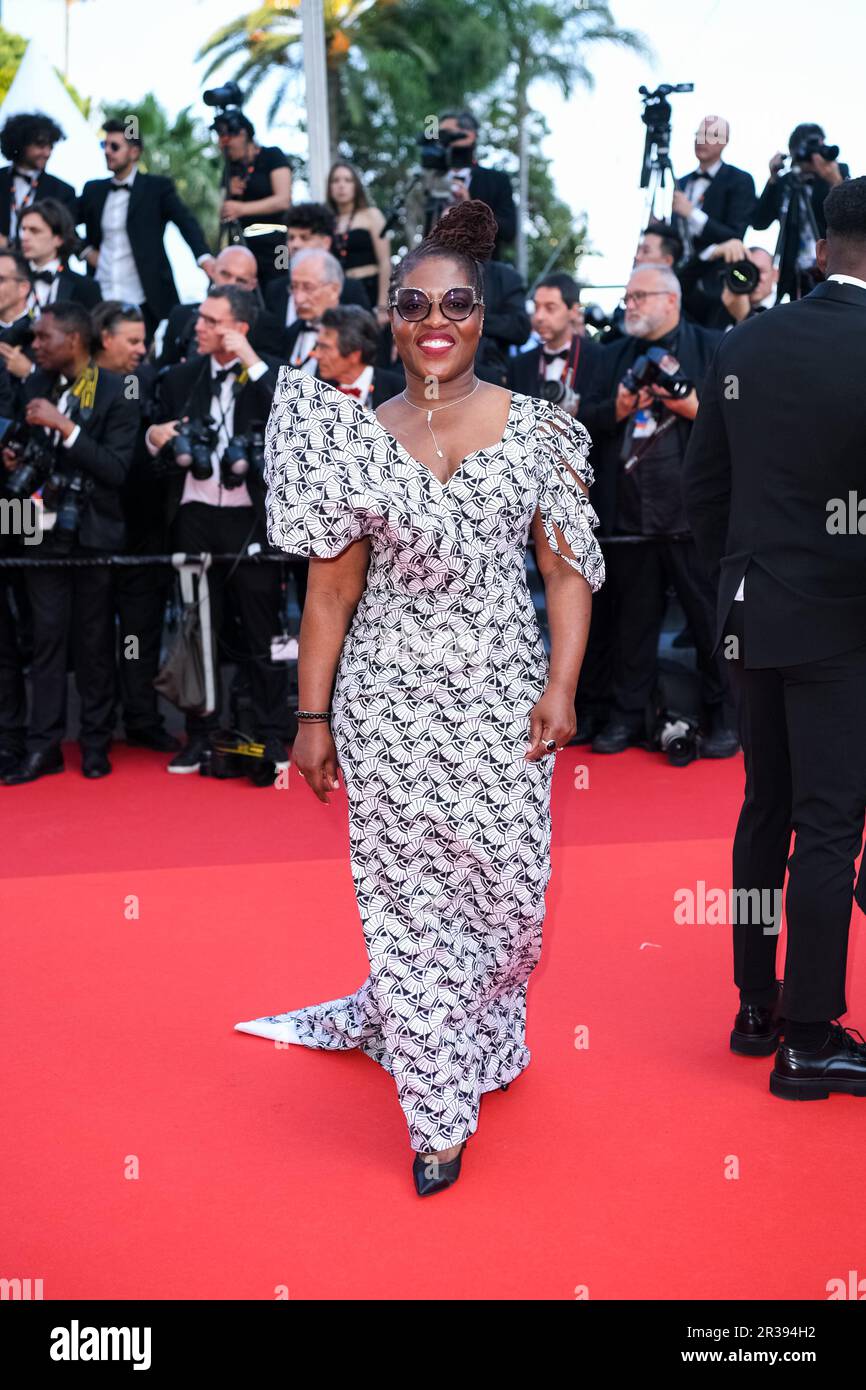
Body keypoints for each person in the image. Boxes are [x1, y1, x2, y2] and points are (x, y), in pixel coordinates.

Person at [234, 200, 605, 1196]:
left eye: (455, 302)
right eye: (411, 303)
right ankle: (435, 1111)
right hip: (384, 698)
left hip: (502, 691)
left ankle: (469, 1026)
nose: (433, 318)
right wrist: (309, 719)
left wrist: (562, 683)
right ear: (388, 317)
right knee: (406, 904)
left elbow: (564, 568)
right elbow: (331, 588)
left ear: (484, 315)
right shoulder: (348, 437)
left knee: (511, 902)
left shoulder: (537, 430)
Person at [682, 176, 866, 1096]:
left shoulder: (744, 344)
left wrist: (734, 595)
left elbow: (702, 492)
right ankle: (809, 1034)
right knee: (829, 827)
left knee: (764, 812)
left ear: (823, 247)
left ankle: (756, 1002)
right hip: (843, 627)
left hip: (753, 615)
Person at [577, 262, 737, 758]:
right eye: (628, 297)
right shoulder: (608, 354)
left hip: (694, 516)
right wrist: (619, 408)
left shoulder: (713, 346)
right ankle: (625, 719)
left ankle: (726, 718)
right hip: (628, 516)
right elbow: (583, 422)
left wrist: (691, 406)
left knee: (712, 624)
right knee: (632, 626)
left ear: (671, 300)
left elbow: (740, 419)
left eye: (640, 296)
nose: (631, 305)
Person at [145, 285, 287, 773]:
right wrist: (154, 437)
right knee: (194, 628)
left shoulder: (266, 375)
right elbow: (154, 438)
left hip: (251, 519)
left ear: (239, 328)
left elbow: (294, 418)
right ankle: (200, 733)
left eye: (210, 320)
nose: (197, 326)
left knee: (262, 627)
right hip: (194, 518)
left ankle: (268, 735)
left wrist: (250, 358)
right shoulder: (180, 377)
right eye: (199, 318)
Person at [1, 301, 139, 785]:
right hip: (39, 532)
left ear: (74, 341)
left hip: (94, 532)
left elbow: (118, 470)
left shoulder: (120, 389)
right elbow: (32, 448)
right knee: (45, 642)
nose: (34, 345)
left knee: (96, 642)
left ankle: (97, 743)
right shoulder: (34, 384)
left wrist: (67, 428)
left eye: (43, 338)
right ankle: (44, 748)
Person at [93, 301, 179, 754]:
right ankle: (98, 725)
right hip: (93, 531)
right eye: (132, 341)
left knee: (139, 634)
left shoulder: (148, 379)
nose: (142, 350)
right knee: (95, 636)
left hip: (144, 529)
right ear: (104, 339)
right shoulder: (81, 385)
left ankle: (142, 718)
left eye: (144, 340)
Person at [77, 119, 216, 339]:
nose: (108, 152)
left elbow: (186, 222)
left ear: (134, 152)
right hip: (101, 294)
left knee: (144, 364)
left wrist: (204, 258)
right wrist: (84, 251)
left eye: (115, 146)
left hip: (146, 297)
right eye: (104, 145)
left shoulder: (157, 188)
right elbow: (62, 222)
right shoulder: (94, 190)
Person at [752, 122, 850, 301]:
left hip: (830, 266)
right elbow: (759, 223)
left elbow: (851, 215)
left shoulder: (837, 171)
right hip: (794, 272)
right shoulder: (786, 182)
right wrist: (773, 179)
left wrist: (834, 179)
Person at [157, 245, 285, 367]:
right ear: (212, 271)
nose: (231, 284)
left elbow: (275, 378)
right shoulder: (180, 316)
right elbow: (160, 372)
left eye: (241, 280)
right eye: (225, 274)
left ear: (252, 285)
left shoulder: (266, 326)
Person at [211, 107, 292, 289]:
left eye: (228, 139)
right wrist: (228, 193)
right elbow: (222, 212)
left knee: (280, 288)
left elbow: (283, 199)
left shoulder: (272, 156)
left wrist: (241, 209)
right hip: (246, 244)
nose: (224, 145)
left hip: (278, 243)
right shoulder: (230, 169)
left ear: (243, 134)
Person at [263, 203, 369, 329]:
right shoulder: (275, 290)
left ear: (326, 242)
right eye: (291, 238)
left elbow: (366, 339)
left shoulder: (350, 289)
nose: (295, 244)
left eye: (304, 237)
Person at [673, 115, 756, 258]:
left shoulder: (740, 180)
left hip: (715, 270)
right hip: (678, 267)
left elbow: (735, 235)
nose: (702, 140)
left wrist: (692, 213)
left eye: (711, 135)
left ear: (725, 141)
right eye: (699, 134)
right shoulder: (682, 182)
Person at [437, 111, 516, 257]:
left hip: (481, 271)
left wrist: (471, 209)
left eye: (447, 134)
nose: (442, 140)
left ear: (470, 135)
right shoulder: (428, 181)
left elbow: (509, 231)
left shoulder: (497, 181)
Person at [327, 162, 392, 325]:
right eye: (336, 181)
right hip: (340, 293)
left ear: (356, 186)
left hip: (370, 290)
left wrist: (382, 306)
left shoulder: (372, 215)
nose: (341, 185)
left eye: (348, 180)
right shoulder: (326, 222)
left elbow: (385, 262)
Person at [0, 111, 76, 246]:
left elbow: (66, 238)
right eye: (40, 145)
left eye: (50, 147)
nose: (47, 153)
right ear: (21, 143)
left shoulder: (63, 191)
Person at [313, 305, 403, 408]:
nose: (317, 355)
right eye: (318, 345)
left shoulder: (399, 392)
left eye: (325, 348)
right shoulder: (316, 390)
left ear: (354, 355)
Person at [19, 199, 100, 311]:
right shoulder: (8, 279)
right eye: (23, 229)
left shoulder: (86, 288)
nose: (24, 237)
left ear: (59, 239)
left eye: (34, 231)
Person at [681, 240, 779, 330]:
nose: (756, 278)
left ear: (775, 275)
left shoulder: (783, 314)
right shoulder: (720, 303)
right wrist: (714, 251)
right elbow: (681, 289)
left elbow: (772, 345)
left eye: (761, 272)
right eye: (748, 272)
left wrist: (745, 317)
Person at [279, 248, 344, 375]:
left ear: (334, 290)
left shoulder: (353, 334)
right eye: (294, 287)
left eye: (308, 288)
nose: (298, 299)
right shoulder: (291, 332)